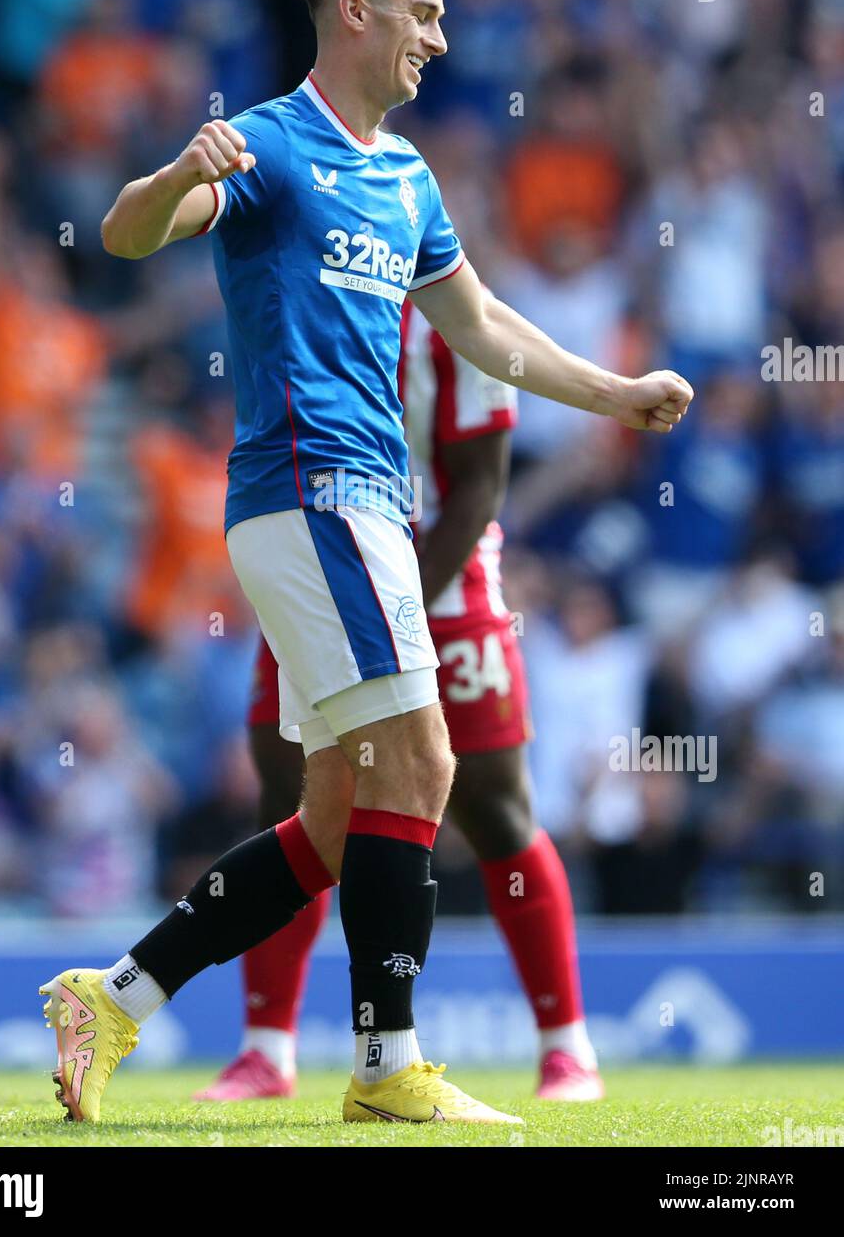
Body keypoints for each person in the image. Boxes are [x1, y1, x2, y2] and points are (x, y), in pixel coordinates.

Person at [40, 0, 692, 1126]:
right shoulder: (271, 147)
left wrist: (613, 395)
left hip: (366, 507)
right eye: (422, 13)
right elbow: (127, 234)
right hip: (308, 490)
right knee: (429, 761)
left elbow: (482, 326)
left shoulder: (406, 178)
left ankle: (113, 995)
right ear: (355, 9)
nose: (439, 38)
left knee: (338, 813)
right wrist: (183, 174)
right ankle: (387, 1062)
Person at [197, 296, 604, 1103]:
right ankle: (266, 1049)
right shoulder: (293, 304)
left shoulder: (462, 321)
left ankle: (567, 1045)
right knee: (291, 792)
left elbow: (481, 490)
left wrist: (391, 619)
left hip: (442, 587)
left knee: (491, 804)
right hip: (321, 577)